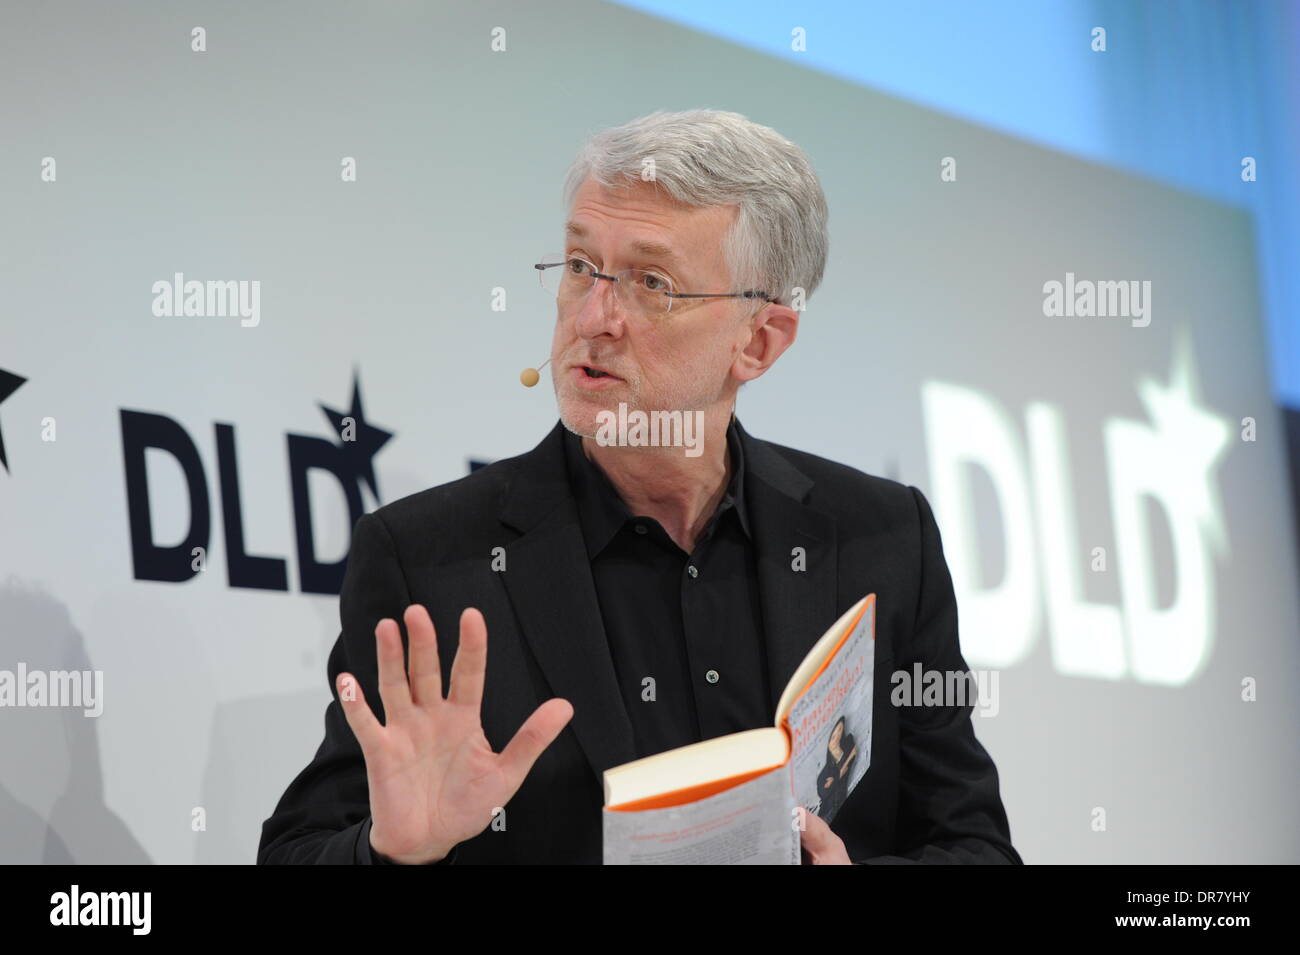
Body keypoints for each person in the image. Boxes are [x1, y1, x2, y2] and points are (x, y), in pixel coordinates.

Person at [257, 108, 1021, 865]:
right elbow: (296, 849)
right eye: (583, 266)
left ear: (758, 341)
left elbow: (974, 844)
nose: (594, 317)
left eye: (653, 283)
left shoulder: (883, 540)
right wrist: (391, 853)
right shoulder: (428, 560)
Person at [816, 717, 858, 822]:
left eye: (840, 730)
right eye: (833, 736)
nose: (837, 736)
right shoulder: (825, 773)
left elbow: (852, 751)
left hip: (844, 804)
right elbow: (823, 793)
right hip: (828, 814)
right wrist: (838, 775)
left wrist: (835, 778)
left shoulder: (848, 743)